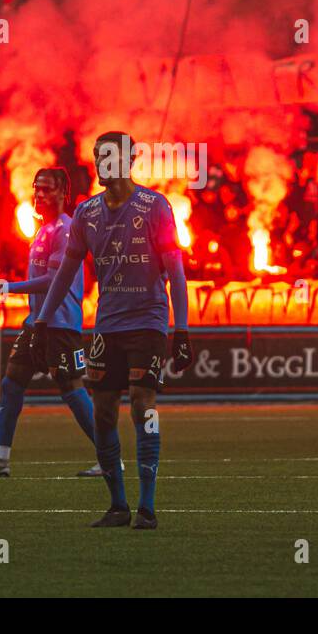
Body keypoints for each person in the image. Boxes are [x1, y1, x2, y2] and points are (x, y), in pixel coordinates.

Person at [32, 132, 192, 529]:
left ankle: (148, 507)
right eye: (97, 156)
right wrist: (40, 321)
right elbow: (66, 272)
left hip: (149, 322)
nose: (102, 162)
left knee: (142, 403)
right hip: (107, 326)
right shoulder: (86, 213)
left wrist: (183, 330)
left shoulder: (156, 206)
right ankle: (118, 505)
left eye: (109, 155)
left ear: (129, 159)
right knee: (103, 414)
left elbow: (175, 271)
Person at [0, 168, 101, 479]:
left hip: (60, 324)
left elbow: (54, 280)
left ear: (63, 192)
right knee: (12, 383)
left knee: (72, 390)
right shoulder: (42, 230)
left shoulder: (66, 231)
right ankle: (1, 458)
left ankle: (109, 458)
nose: (39, 195)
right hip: (35, 323)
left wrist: (9, 287)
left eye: (47, 189)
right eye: (36, 188)